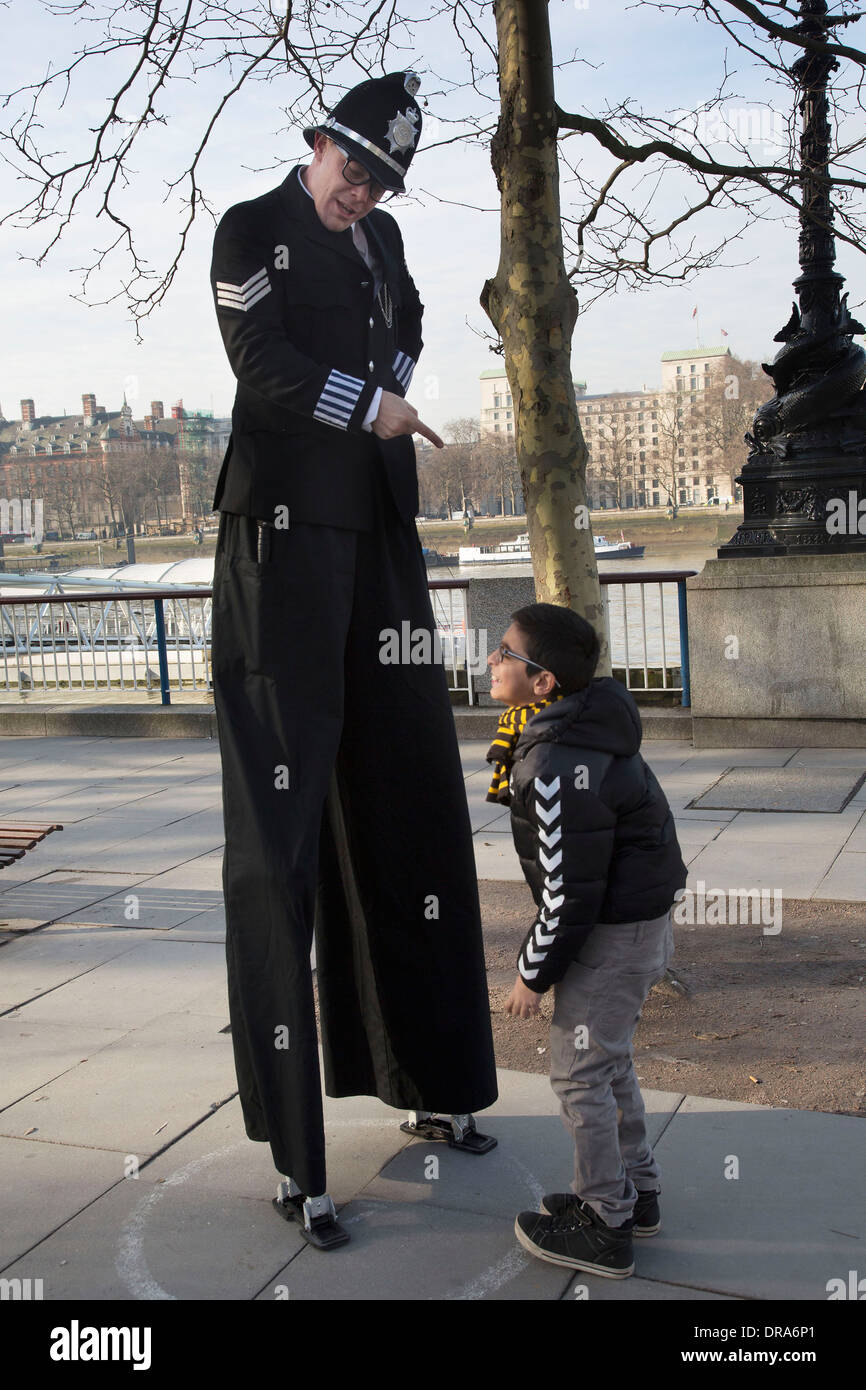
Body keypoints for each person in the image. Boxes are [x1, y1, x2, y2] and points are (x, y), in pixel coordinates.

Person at [209, 71, 498, 1250]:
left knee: (409, 791)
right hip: (280, 537)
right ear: (316, 142)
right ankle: (296, 1152)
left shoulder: (378, 238)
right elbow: (259, 362)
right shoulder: (251, 229)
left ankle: (428, 1074)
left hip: (377, 528)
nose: (362, 190)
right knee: (279, 831)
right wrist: (364, 405)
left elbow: (413, 320)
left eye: (381, 179)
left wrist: (394, 387)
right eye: (352, 166)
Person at [484, 603, 687, 1278]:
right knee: (607, 1063)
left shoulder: (554, 767)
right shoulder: (590, 721)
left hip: (612, 935)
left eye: (505, 653)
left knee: (577, 1077)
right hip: (635, 924)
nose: (493, 660)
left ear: (542, 683)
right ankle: (638, 1193)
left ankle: (605, 1223)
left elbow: (569, 894)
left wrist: (530, 975)